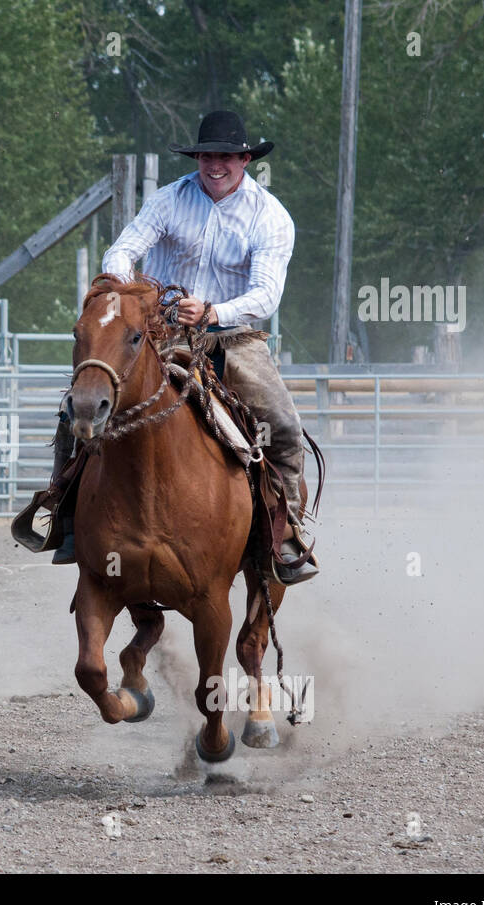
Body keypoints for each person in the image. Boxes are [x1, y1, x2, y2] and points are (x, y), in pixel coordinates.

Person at [64, 110, 317, 583]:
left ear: (245, 158)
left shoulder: (270, 216)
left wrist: (213, 312)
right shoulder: (168, 200)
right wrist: (136, 296)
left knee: (281, 425)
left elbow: (266, 294)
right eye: (206, 155)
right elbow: (122, 250)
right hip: (158, 331)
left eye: (224, 156)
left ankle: (285, 533)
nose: (214, 165)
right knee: (80, 403)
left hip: (232, 337)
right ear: (196, 157)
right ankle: (65, 515)